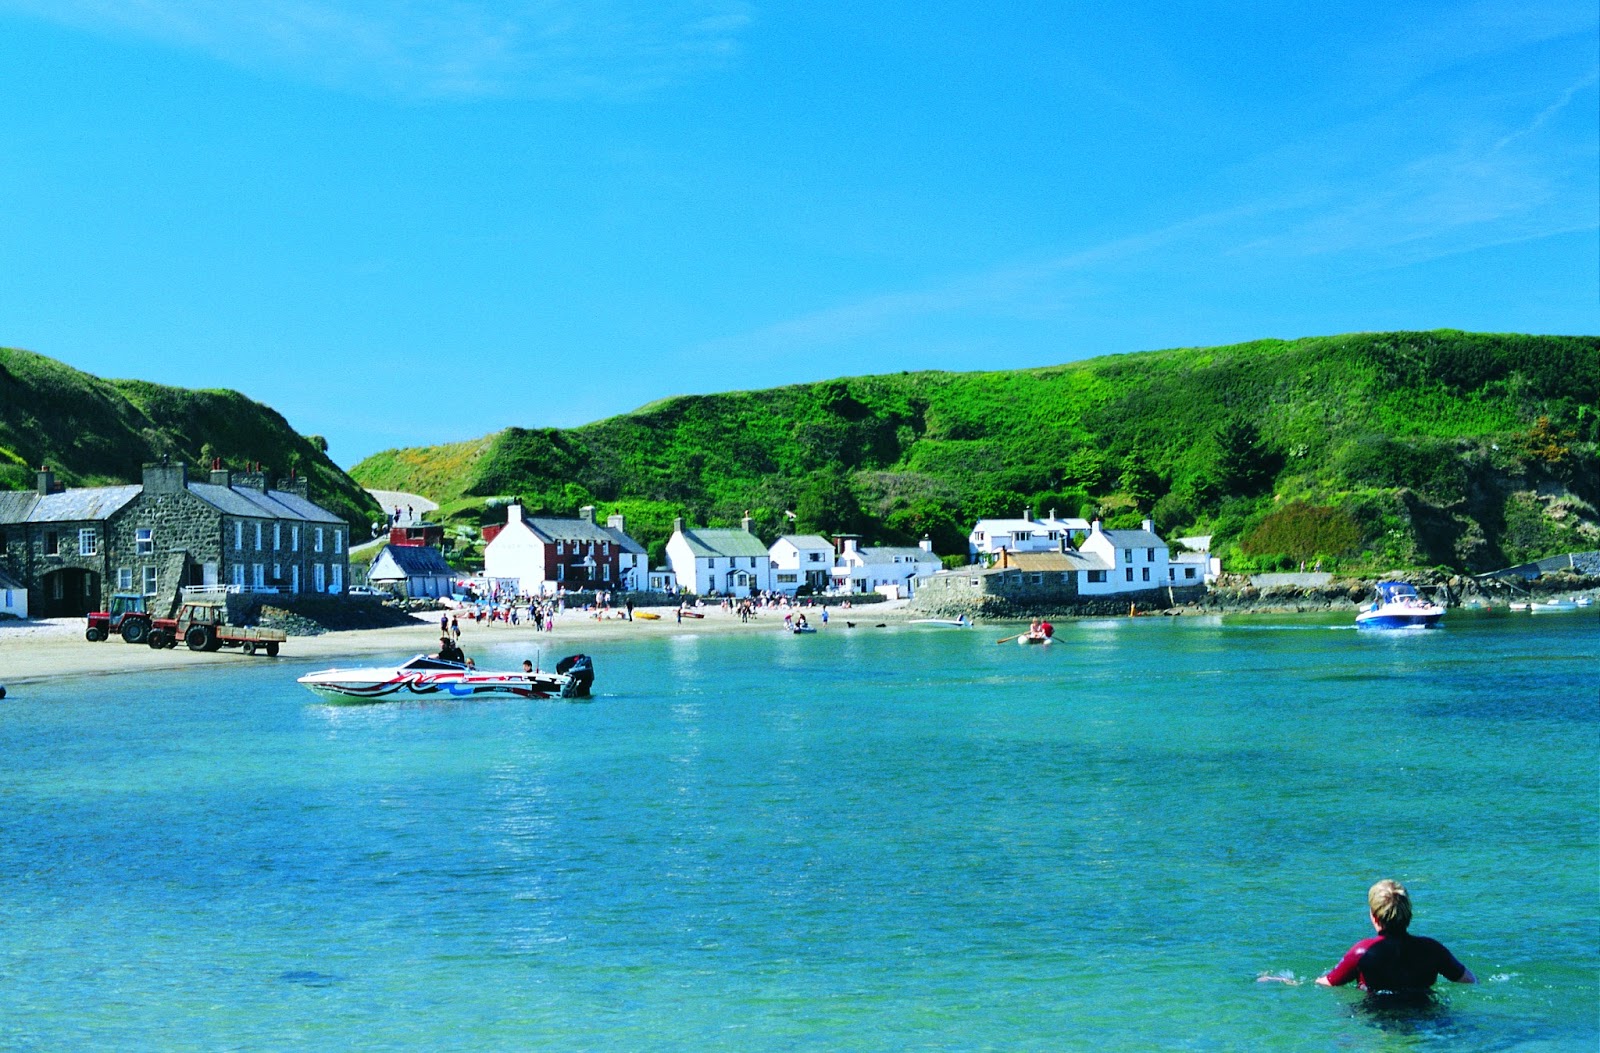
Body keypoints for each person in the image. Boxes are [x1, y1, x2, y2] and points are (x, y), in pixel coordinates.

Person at [1263, 880, 1475, 992]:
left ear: (1374, 916)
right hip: (1425, 1015)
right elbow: (1469, 980)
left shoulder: (1362, 952)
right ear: (1409, 913)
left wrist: (1285, 981)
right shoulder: (1432, 949)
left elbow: (1326, 983)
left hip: (1377, 1018)